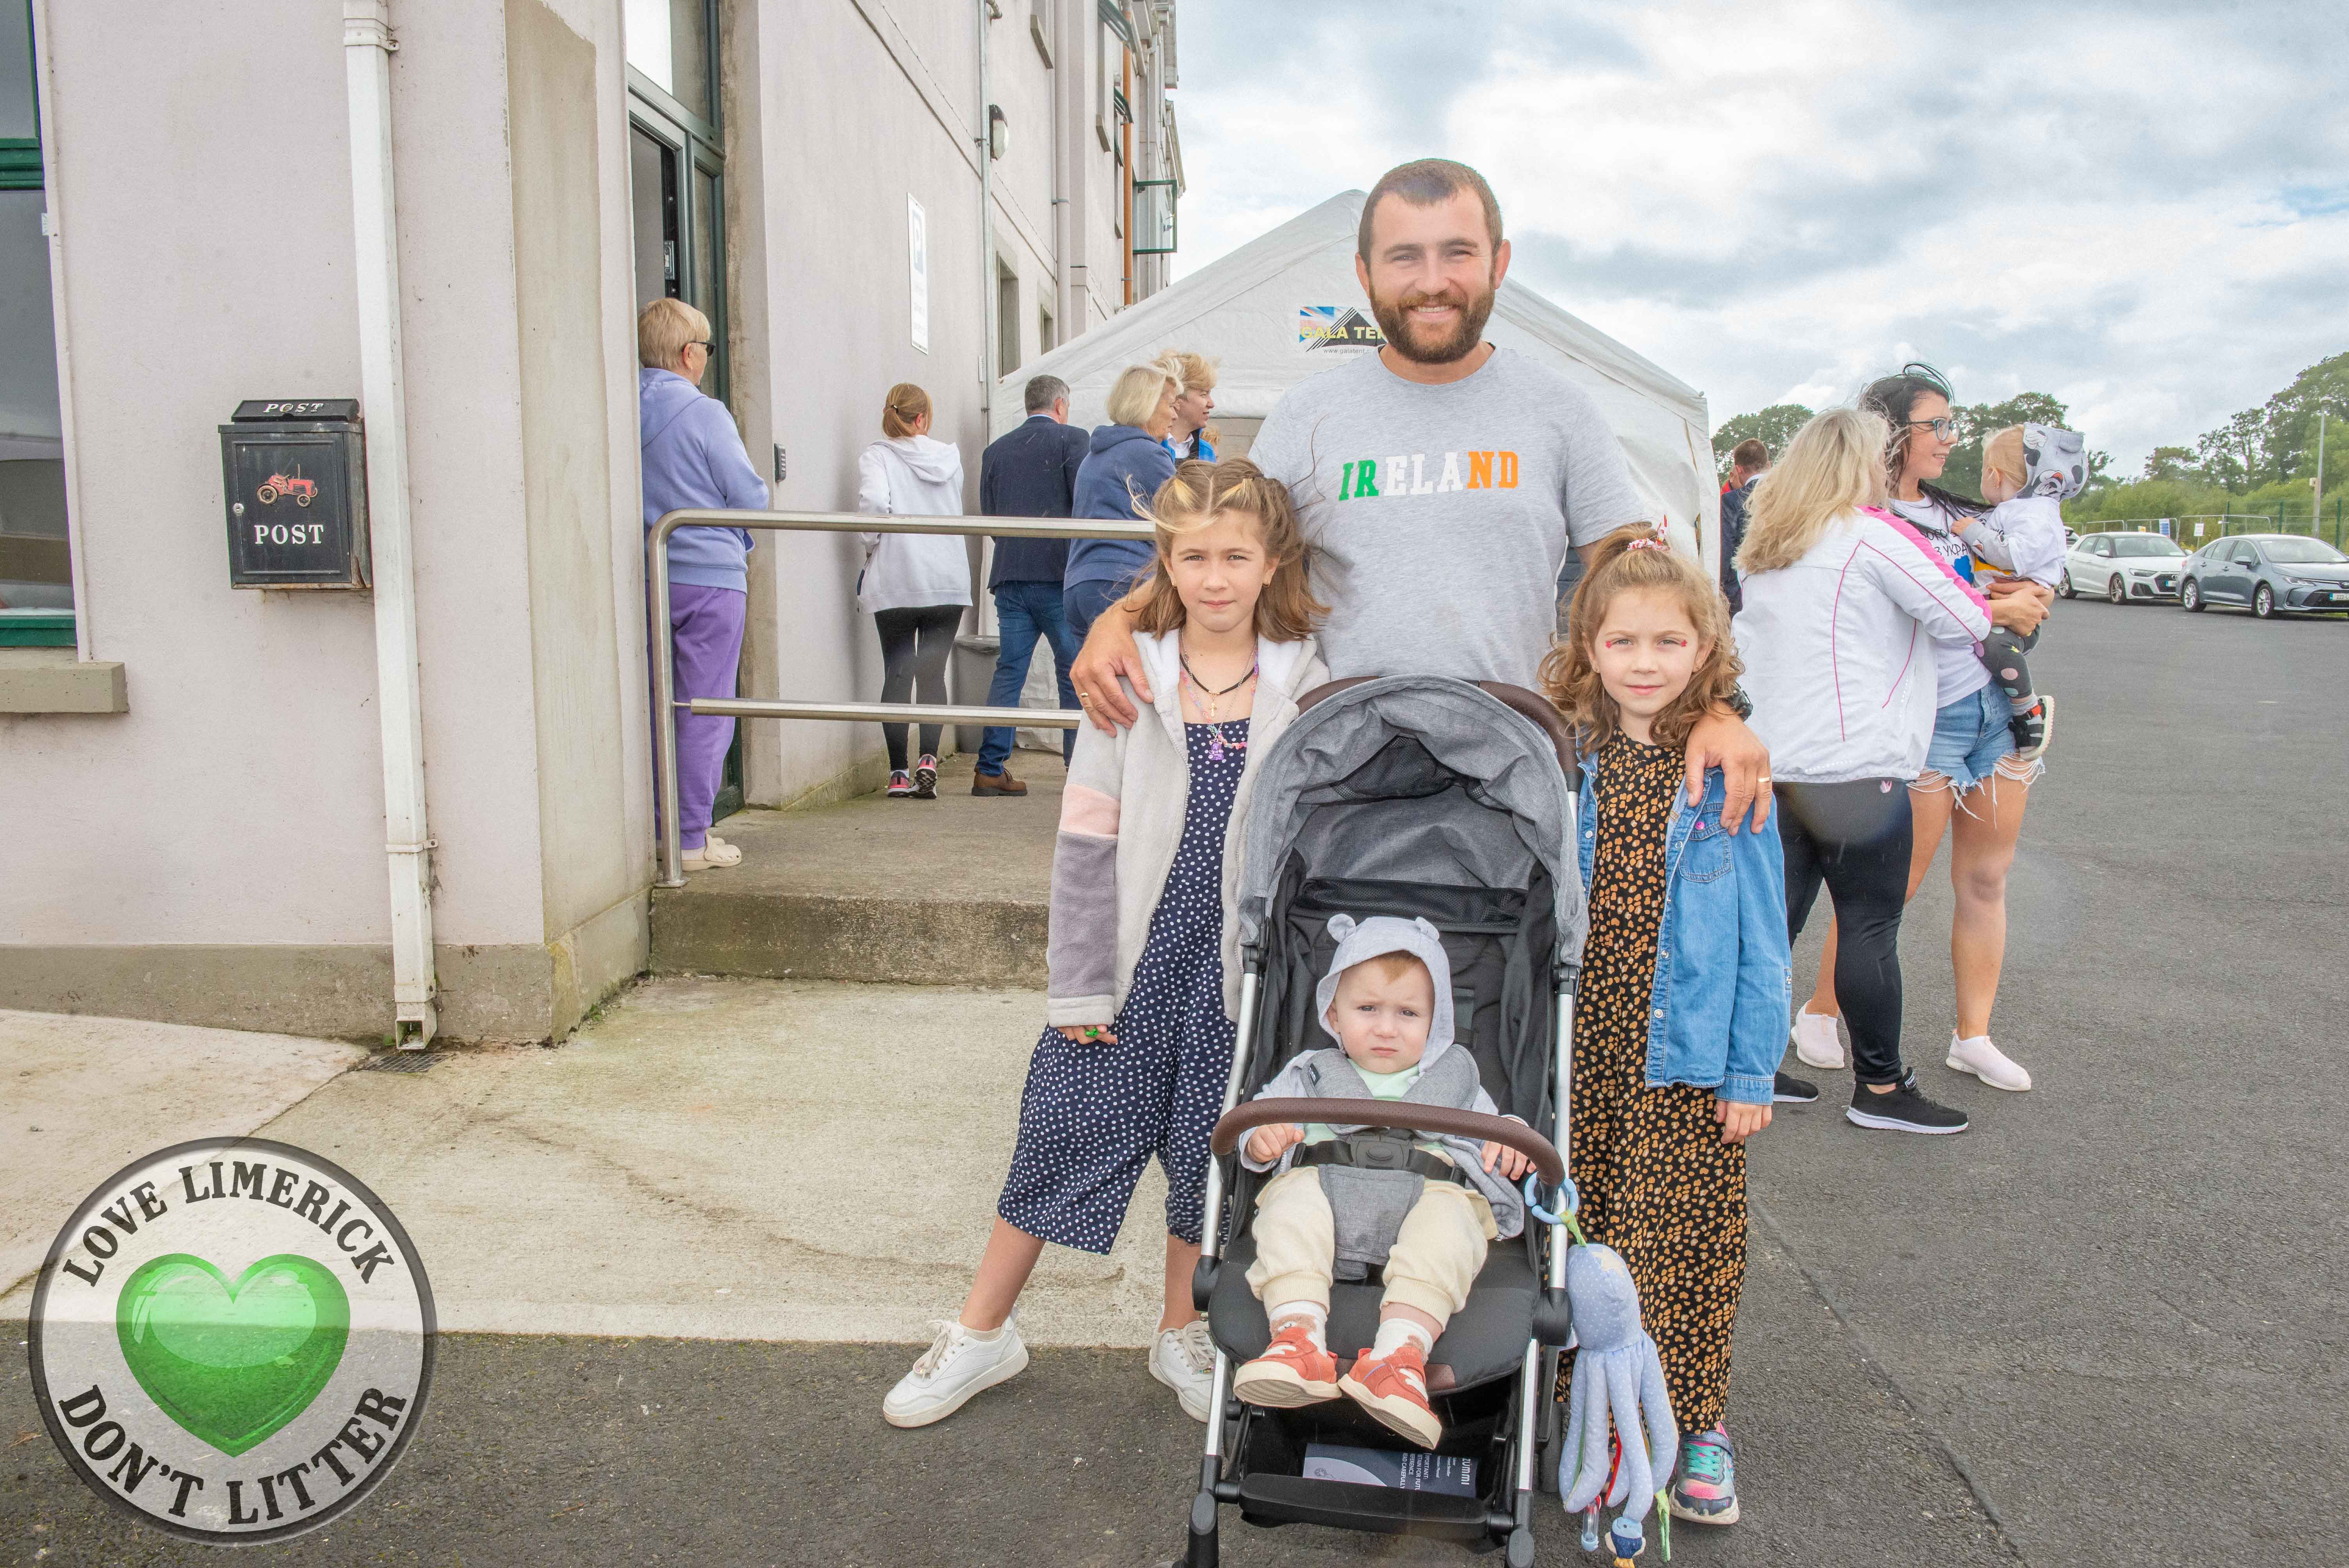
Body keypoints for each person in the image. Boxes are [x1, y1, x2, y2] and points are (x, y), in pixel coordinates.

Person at [1069, 158, 1775, 837]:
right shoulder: (1307, 414)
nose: (1432, 282)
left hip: (1510, 771)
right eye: (1405, 257)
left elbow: (1638, 579)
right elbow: (1221, 544)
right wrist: (1119, 621)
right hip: (1335, 773)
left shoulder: (1561, 410)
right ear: (1364, 273)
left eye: (1457, 254)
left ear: (1499, 263)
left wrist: (1712, 707)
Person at [882, 458, 1328, 1430]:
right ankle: (983, 1330)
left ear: (1272, 561)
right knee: (1059, 1130)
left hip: (1231, 976)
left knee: (1210, 1155)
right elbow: (1086, 838)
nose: (1215, 578)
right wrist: (1079, 986)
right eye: (1194, 556)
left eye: (1236, 557)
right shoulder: (1132, 671)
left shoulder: (1308, 678)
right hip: (1127, 965)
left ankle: (1181, 1329)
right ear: (1164, 562)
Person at [1536, 523, 1791, 1525]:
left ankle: (1698, 1424)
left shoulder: (1728, 776)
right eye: (1623, 642)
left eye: (1668, 643)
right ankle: (1589, 1406)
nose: (1644, 662)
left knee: (1685, 1242)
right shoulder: (1568, 762)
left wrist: (1749, 1071)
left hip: (1682, 1061)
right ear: (1588, 647)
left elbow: (1761, 941)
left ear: (1705, 650)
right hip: (1583, 1048)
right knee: (1581, 1234)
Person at [1735, 406, 2035, 1135]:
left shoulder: (1771, 545)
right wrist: (1997, 600)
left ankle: (1749, 1066)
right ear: (1856, 465)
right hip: (1857, 766)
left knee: (1769, 928)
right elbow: (1963, 623)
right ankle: (1880, 1087)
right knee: (1870, 927)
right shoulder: (1872, 537)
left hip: (1777, 765)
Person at [1791, 367, 2054, 1095]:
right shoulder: (1857, 517)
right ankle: (1819, 1011)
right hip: (1921, 718)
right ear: (1892, 432)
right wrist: (1990, 602)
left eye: (1951, 425)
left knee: (1986, 878)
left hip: (1992, 713)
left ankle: (1974, 1036)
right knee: (1890, 889)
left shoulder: (1961, 516)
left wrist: (2023, 593)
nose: (1949, 439)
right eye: (1937, 425)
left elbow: (1998, 583)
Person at [1228, 915, 1531, 1450]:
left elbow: (1497, 1136)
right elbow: (1255, 1126)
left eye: (1408, 1014)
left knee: (1455, 1218)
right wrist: (1261, 1136)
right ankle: (1297, 1340)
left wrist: (1510, 1138)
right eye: (1368, 1009)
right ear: (1334, 1015)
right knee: (1290, 1202)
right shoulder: (1310, 1074)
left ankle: (1398, 1359)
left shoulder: (1454, 1081)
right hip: (1326, 1192)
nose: (1387, 1028)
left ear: (1436, 1025)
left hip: (1426, 1196)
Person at [637, 297, 769, 873]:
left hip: (648, 572)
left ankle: (657, 831)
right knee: (705, 709)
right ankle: (690, 838)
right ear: (690, 354)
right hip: (710, 579)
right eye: (707, 349)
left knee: (654, 706)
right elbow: (750, 499)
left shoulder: (620, 407)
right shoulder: (704, 412)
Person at [973, 374, 1090, 796]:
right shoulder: (1073, 440)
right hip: (1059, 577)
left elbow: (991, 516)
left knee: (1009, 671)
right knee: (1073, 673)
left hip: (1010, 573)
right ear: (1060, 405)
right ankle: (1079, 774)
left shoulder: (995, 451)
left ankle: (989, 768)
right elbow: (1085, 503)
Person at [856, 383, 973, 800]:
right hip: (946, 578)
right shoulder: (950, 458)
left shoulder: (878, 455)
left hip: (897, 576)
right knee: (932, 672)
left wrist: (872, 543)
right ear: (923, 418)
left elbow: (872, 505)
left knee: (898, 671)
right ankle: (929, 759)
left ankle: (899, 773)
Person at [1954, 422, 2083, 755]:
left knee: (1994, 646)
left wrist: (1971, 532)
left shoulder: (2036, 513)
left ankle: (2028, 709)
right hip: (2004, 608)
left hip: (2015, 620)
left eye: (1984, 471)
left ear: (1995, 475)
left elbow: (2013, 555)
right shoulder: (2016, 510)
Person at [1063, 362, 1182, 646]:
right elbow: (1186, 516)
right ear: (1147, 405)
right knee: (1140, 683)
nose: (1175, 413)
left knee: (1094, 686)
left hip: (1079, 584)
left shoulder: (1094, 456)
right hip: (1123, 582)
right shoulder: (1147, 454)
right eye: (1171, 404)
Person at [1717, 437, 1770, 614]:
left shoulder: (1731, 500)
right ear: (1768, 465)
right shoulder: (1791, 496)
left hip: (1745, 592)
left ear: (1738, 469)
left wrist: (1731, 600)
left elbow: (1727, 551)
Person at [1156, 351, 1219, 462]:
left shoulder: (1206, 452)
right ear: (1176, 399)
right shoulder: (1148, 447)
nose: (1212, 404)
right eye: (1204, 395)